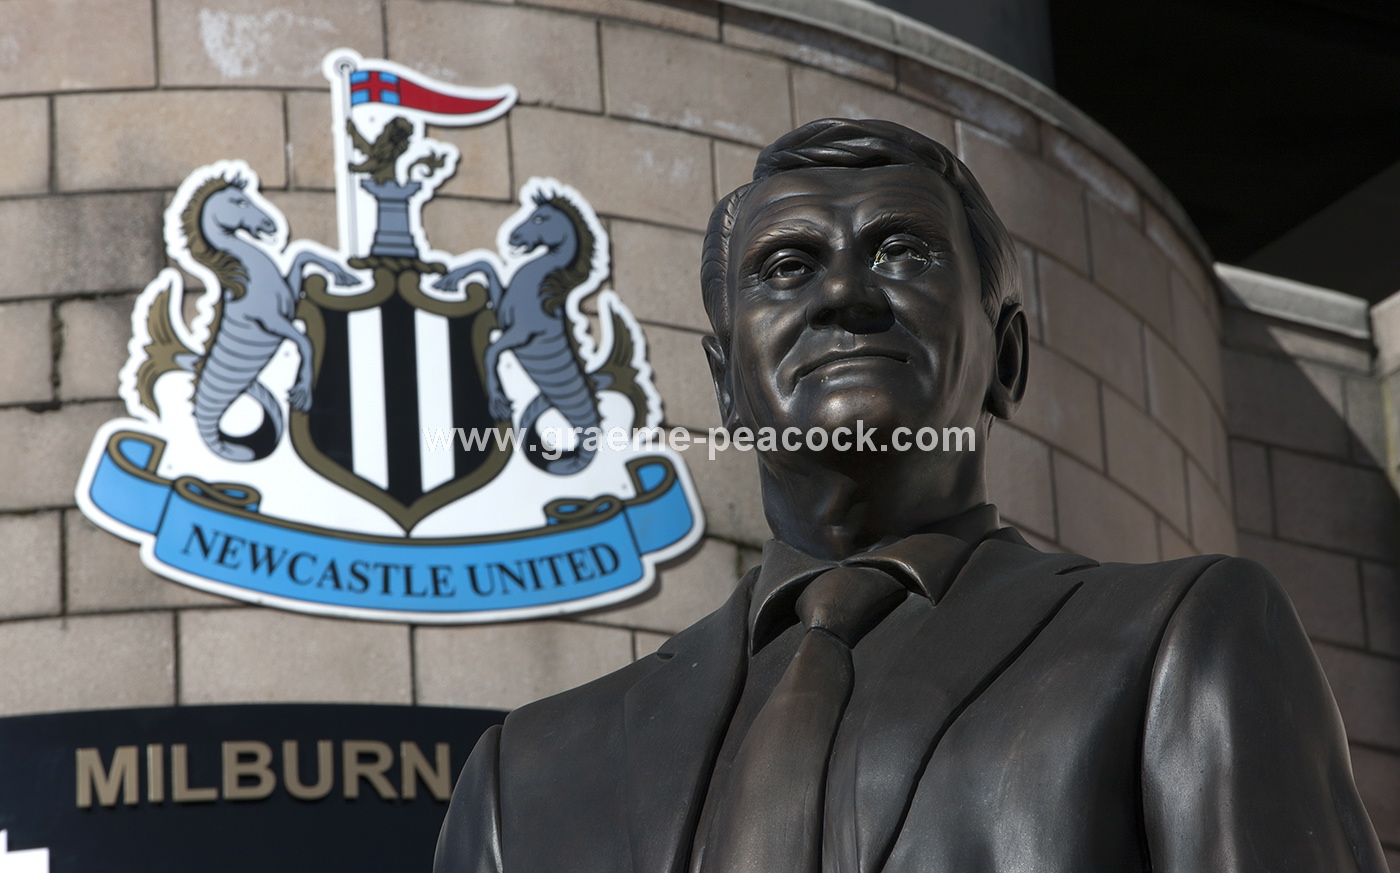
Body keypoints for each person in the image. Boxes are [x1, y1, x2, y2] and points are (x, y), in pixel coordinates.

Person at [434, 118, 1387, 873]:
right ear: (725, 384)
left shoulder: (1180, 643)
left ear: (1005, 355)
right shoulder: (526, 781)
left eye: (902, 252)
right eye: (785, 267)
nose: (844, 292)